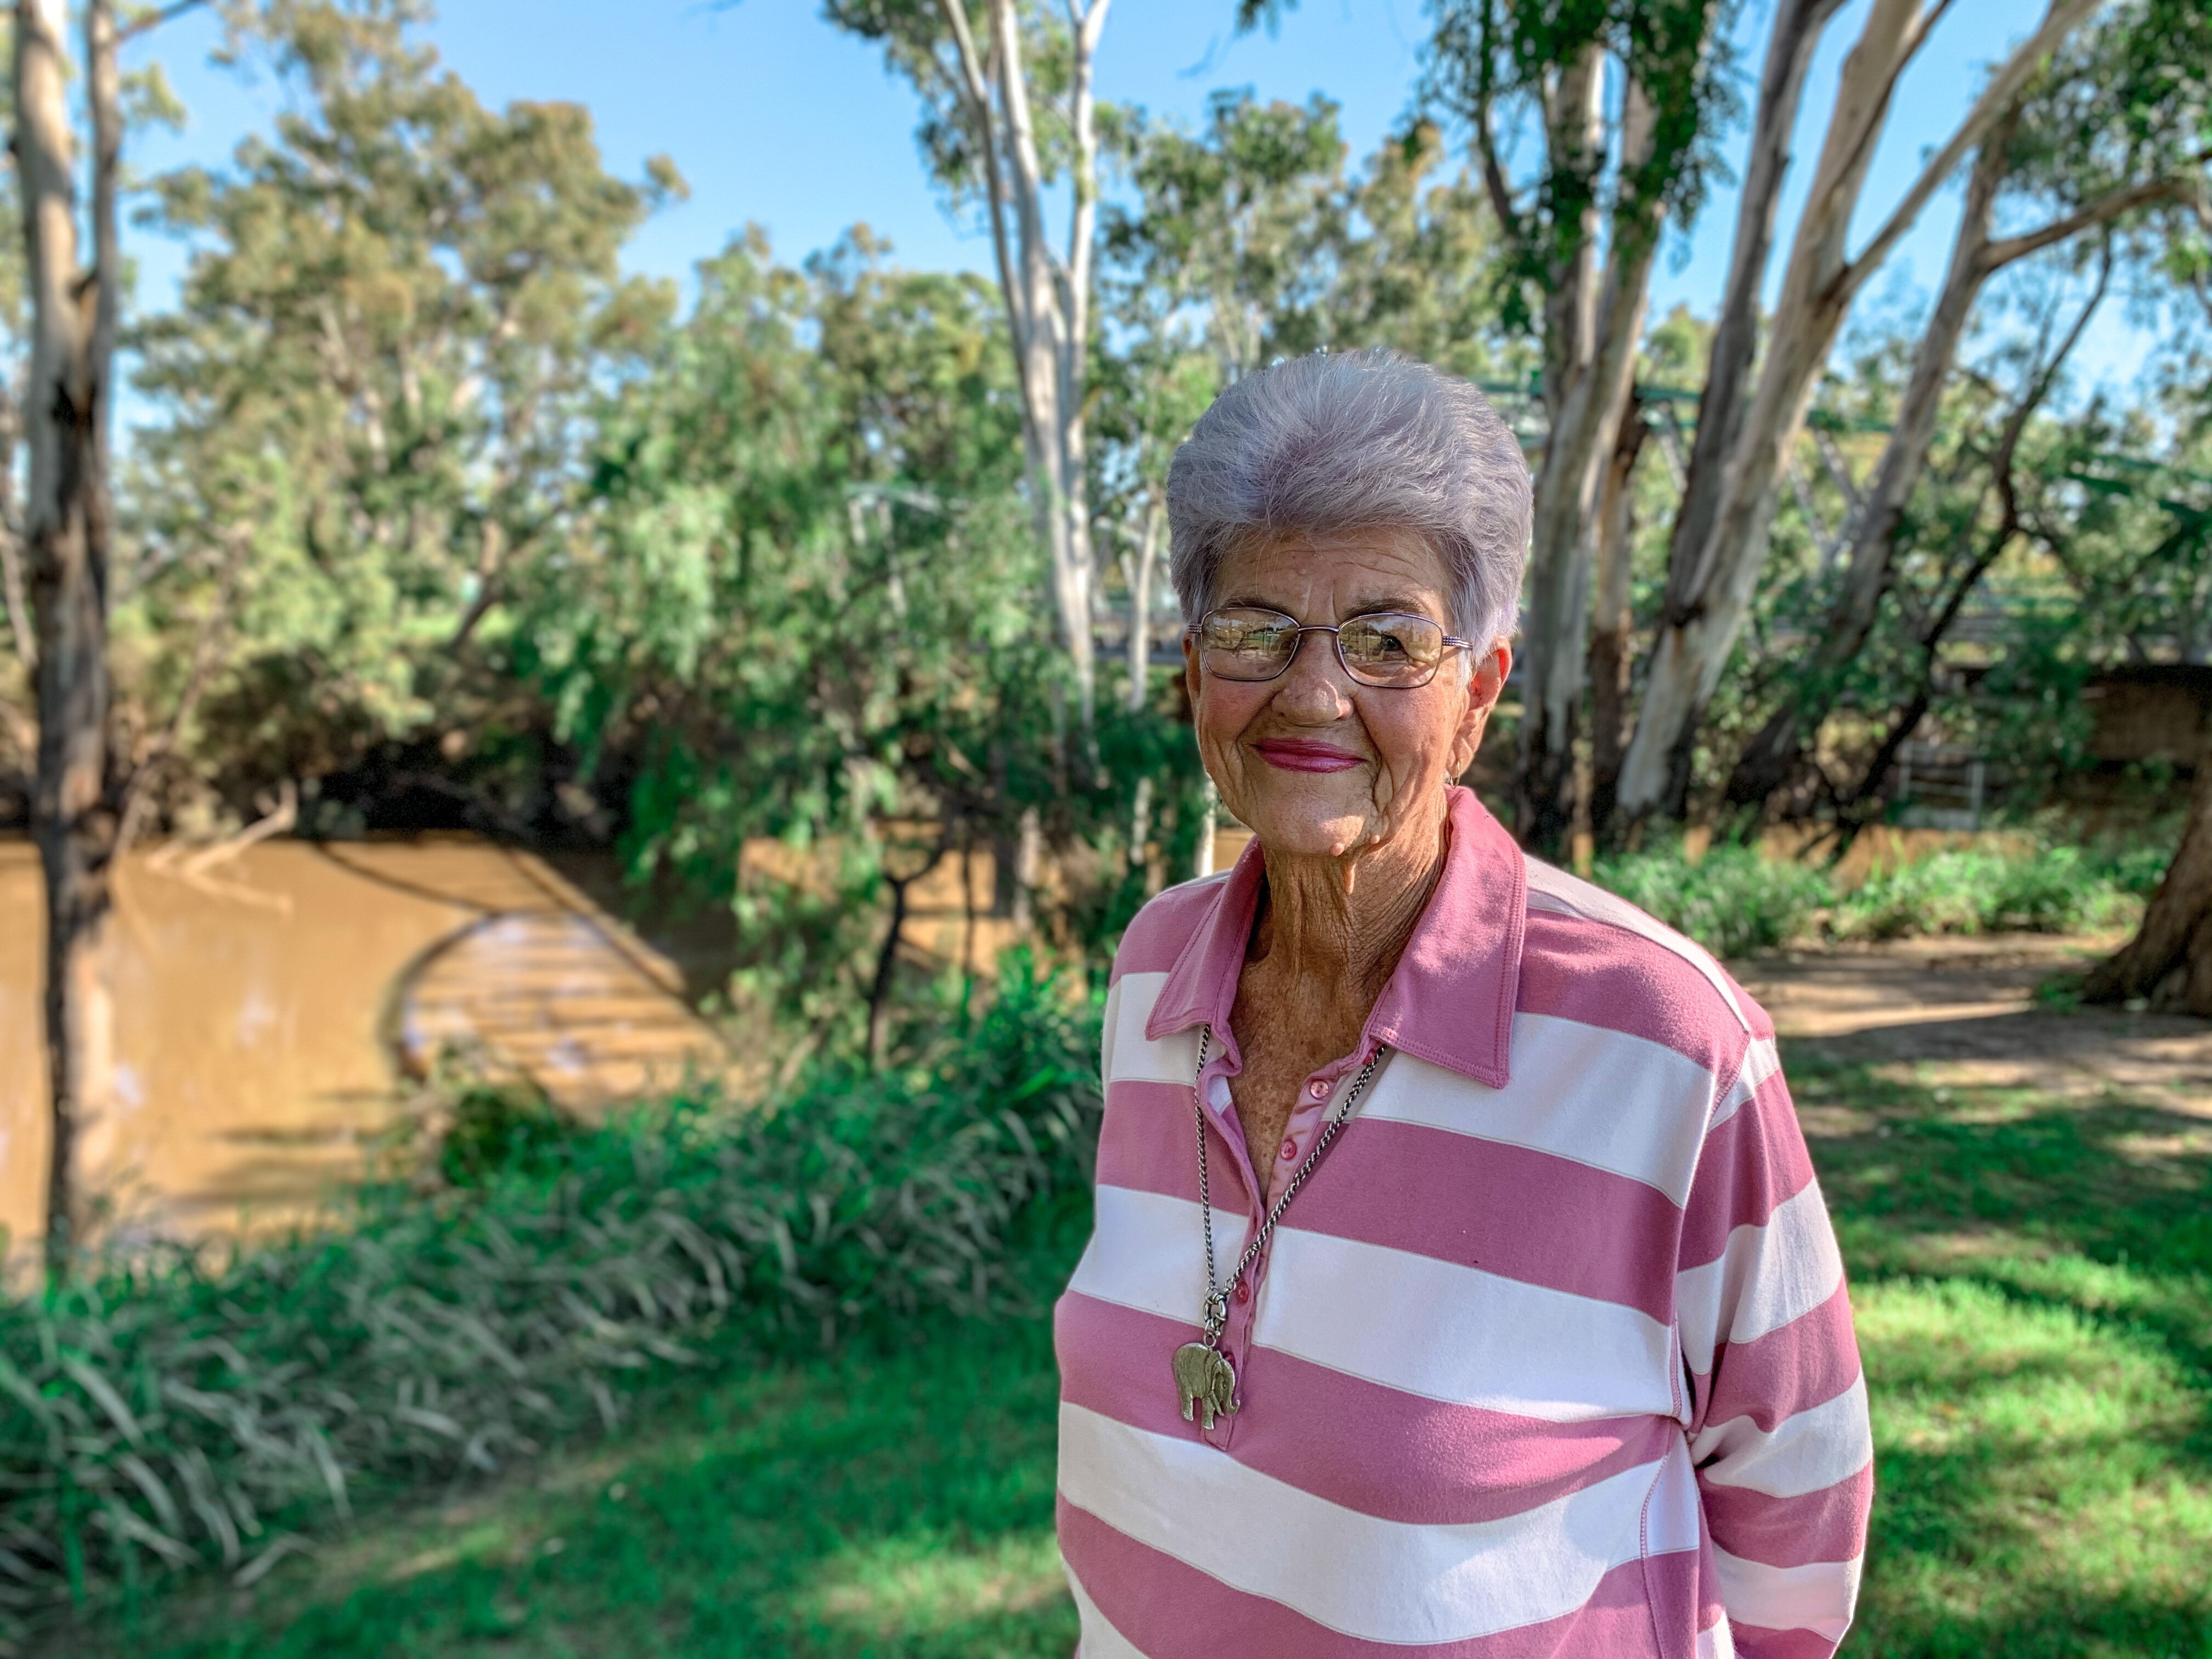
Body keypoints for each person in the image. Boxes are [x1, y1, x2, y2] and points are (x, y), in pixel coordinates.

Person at [1053, 349, 1872, 1658]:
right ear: (1196, 674)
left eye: (1388, 638)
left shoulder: (1667, 1043)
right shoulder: (1152, 969)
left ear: (1478, 692)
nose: (1313, 695)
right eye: (1256, 627)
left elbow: (1797, 1521)